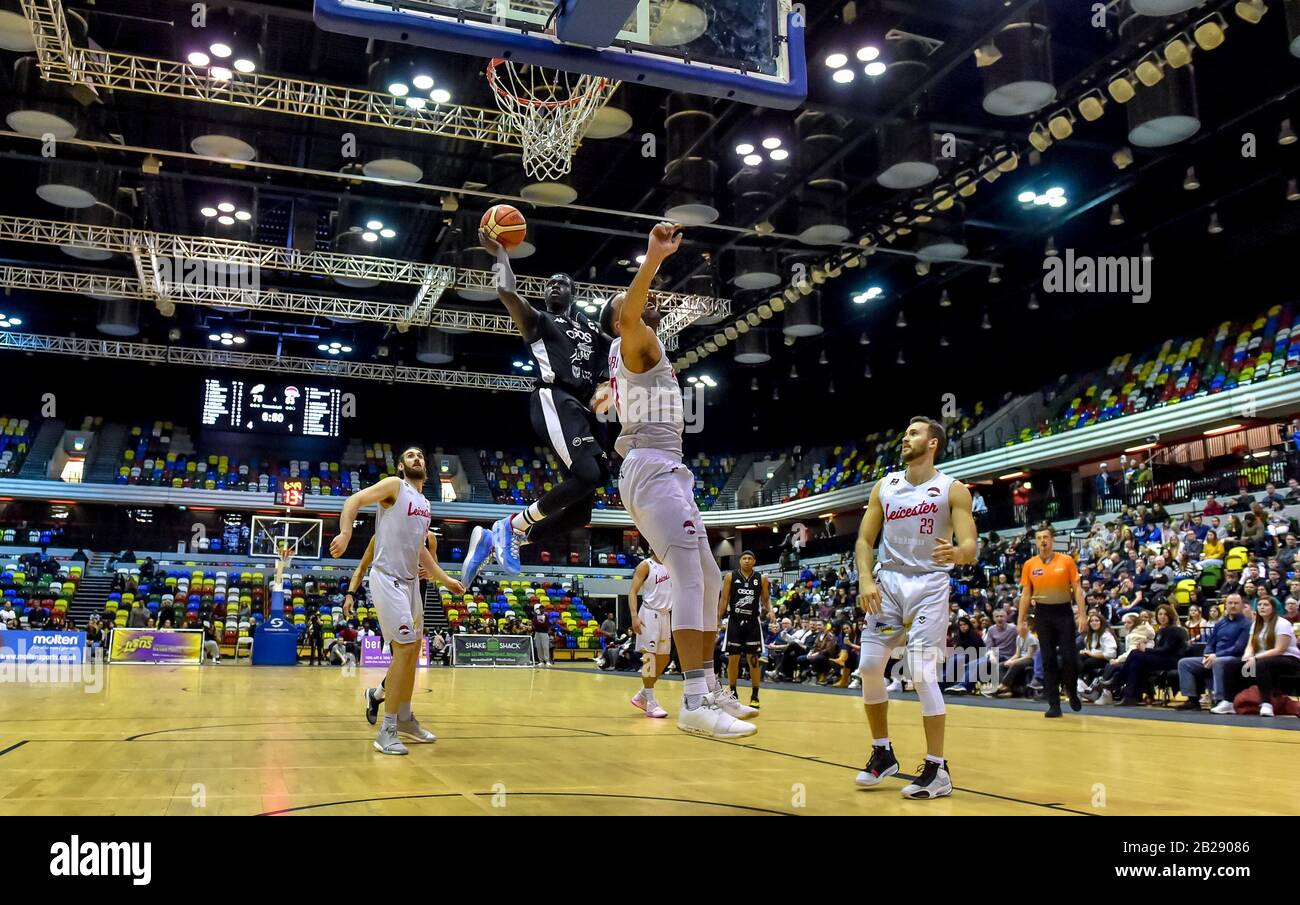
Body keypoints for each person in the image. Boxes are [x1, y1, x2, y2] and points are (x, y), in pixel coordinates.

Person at [601, 222, 755, 739]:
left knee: (709, 578)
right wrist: (652, 258)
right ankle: (692, 699)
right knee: (691, 573)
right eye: (637, 304)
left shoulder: (637, 354)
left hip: (664, 468)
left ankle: (708, 687)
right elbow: (628, 312)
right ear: (625, 318)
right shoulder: (636, 342)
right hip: (652, 465)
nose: (649, 306)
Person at [461, 227, 612, 585]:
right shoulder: (539, 321)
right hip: (553, 398)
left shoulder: (590, 330)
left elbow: (621, 342)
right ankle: (509, 525)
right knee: (589, 475)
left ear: (574, 293)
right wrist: (501, 254)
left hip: (584, 408)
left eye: (561, 284)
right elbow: (506, 291)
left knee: (583, 507)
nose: (553, 287)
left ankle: (501, 538)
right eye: (549, 285)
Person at [852, 415, 979, 800]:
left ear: (933, 442)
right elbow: (863, 539)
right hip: (888, 584)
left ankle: (937, 769)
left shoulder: (952, 489)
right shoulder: (885, 486)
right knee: (870, 667)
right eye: (905, 432)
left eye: (913, 433)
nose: (905, 438)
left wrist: (957, 552)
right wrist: (865, 579)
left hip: (929, 585)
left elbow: (971, 547)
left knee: (921, 671)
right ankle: (882, 752)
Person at [330, 446, 441, 755]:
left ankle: (404, 718)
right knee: (404, 649)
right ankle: (387, 730)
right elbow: (354, 500)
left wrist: (444, 579)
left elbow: (420, 550)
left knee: (413, 650)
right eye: (410, 455)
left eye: (421, 455)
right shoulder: (395, 486)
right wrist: (346, 532)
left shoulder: (426, 504)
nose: (417, 457)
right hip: (387, 578)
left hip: (410, 584)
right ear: (401, 467)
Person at [351, 528, 464, 724]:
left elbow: (433, 566)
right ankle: (393, 719)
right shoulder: (381, 536)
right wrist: (350, 595)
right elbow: (362, 567)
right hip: (393, 593)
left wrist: (430, 573)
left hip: (419, 595)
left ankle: (377, 697)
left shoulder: (429, 538)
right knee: (402, 656)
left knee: (407, 659)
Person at [1017, 523, 1087, 718]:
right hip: (1043, 614)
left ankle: (1071, 691)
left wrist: (1082, 615)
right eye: (1039, 538)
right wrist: (1020, 620)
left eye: (1046, 537)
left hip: (1063, 612)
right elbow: (1025, 595)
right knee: (1047, 659)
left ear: (1052, 539)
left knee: (1069, 658)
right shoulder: (1030, 565)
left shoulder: (1066, 561)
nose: (1043, 541)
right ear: (1036, 542)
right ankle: (1054, 704)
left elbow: (1078, 589)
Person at [1215, 597, 1300, 716]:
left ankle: (1266, 704)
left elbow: (1279, 649)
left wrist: (1255, 658)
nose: (1262, 607)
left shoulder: (1283, 623)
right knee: (1231, 665)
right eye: (1260, 604)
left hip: (1289, 659)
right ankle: (1228, 702)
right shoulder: (1256, 624)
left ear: (1273, 608)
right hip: (1264, 658)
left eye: (1266, 605)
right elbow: (1250, 645)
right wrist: (1247, 656)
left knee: (1261, 664)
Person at [1176, 593, 1249, 711]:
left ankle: (1219, 699)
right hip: (1215, 657)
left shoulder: (1246, 624)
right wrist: (1207, 655)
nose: (1233, 606)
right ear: (1225, 605)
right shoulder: (1221, 623)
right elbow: (1210, 642)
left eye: (1236, 603)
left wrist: (1216, 656)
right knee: (1184, 663)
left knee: (1218, 662)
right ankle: (1193, 700)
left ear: (1242, 606)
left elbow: (1239, 647)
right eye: (1230, 603)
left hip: (1236, 658)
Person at [720, 550, 772, 710]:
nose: (747, 561)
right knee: (733, 659)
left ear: (754, 561)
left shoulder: (761, 578)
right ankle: (733, 692)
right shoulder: (730, 576)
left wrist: (771, 610)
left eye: (750, 558)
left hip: (752, 623)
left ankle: (755, 695)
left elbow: (766, 599)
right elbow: (724, 599)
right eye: (744, 558)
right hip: (734, 621)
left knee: (753, 660)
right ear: (740, 561)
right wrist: (718, 618)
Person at [1114, 604, 1189, 706]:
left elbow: (1167, 650)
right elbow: (1160, 650)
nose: (1162, 616)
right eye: (1160, 614)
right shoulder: (1161, 630)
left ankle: (1118, 680)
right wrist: (1146, 650)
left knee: (1135, 653)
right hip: (1163, 658)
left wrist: (1146, 650)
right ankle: (1130, 696)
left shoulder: (1173, 629)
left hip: (1172, 660)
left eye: (1165, 614)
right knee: (1135, 663)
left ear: (1170, 616)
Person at [627, 553, 672, 719]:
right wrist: (634, 616)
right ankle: (651, 703)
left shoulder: (672, 565)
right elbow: (632, 591)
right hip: (649, 613)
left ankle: (642, 694)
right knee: (649, 658)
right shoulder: (646, 565)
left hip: (666, 615)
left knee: (664, 658)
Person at [983, 615, 1039, 697]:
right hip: (1022, 658)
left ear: (1028, 627)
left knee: (1015, 664)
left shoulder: (1031, 638)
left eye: (1024, 625)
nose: (1021, 627)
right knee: (1001, 665)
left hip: (1031, 659)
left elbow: (1029, 656)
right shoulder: (1019, 638)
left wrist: (1014, 661)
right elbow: (1017, 654)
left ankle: (1003, 685)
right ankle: (1007, 691)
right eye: (1020, 625)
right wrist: (1010, 660)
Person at [1076, 611, 1117, 693]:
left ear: (1101, 622)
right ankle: (1079, 680)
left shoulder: (1106, 635)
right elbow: (1090, 650)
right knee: (1078, 656)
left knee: (1088, 662)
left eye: (1096, 620)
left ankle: (1079, 681)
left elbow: (1111, 654)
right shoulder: (1089, 636)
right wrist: (1085, 652)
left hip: (1107, 661)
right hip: (1094, 659)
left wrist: (1091, 654)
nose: (1094, 623)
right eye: (1091, 621)